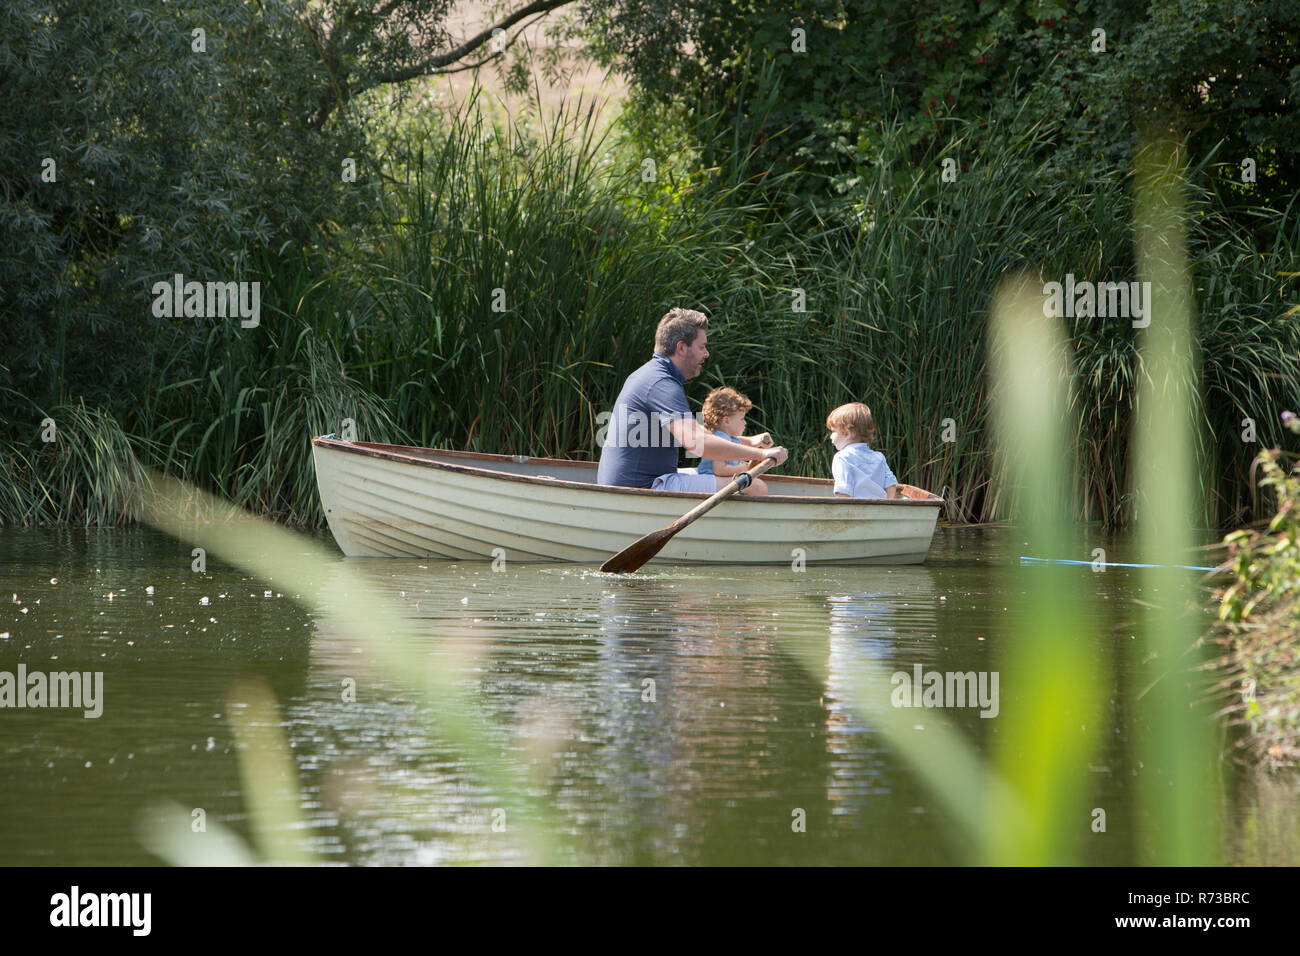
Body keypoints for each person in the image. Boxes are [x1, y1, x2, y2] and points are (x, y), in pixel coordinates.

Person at [596, 307, 788, 492]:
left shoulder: (650, 375)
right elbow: (697, 443)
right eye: (702, 347)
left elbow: (700, 432)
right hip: (641, 486)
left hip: (635, 481)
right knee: (755, 487)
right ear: (681, 347)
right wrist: (761, 454)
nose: (706, 354)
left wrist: (748, 442)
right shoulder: (661, 383)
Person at [697, 387, 772, 495]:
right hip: (711, 480)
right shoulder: (719, 439)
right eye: (742, 419)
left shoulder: (731, 438)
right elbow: (719, 469)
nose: (745, 423)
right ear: (726, 421)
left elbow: (744, 445)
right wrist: (740, 468)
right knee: (757, 487)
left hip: (720, 480)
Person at [826, 402, 899, 498]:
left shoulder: (842, 458)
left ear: (847, 434)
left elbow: (843, 492)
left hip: (855, 511)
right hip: (879, 510)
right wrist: (887, 505)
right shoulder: (879, 457)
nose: (831, 436)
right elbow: (891, 484)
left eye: (834, 431)